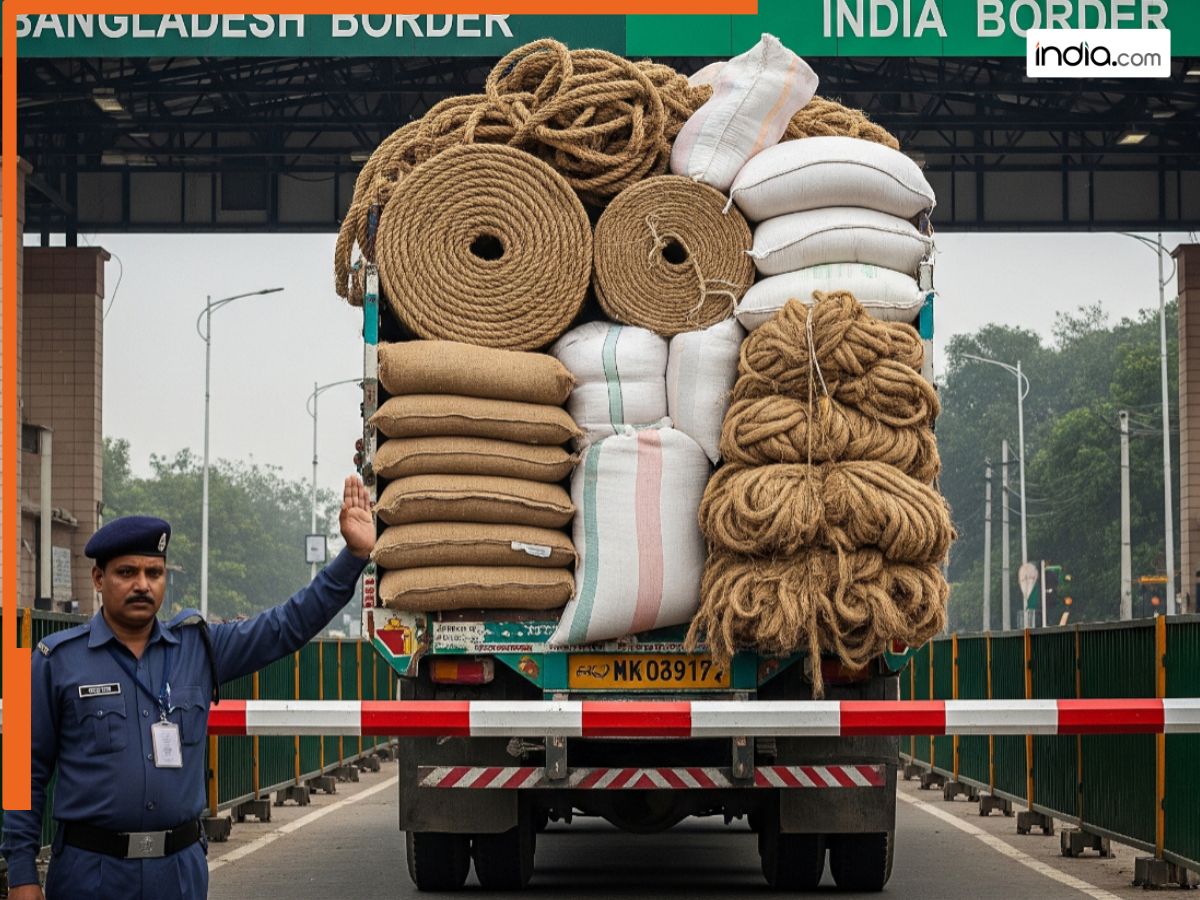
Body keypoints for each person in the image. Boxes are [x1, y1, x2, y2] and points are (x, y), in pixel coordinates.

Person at [1, 475, 376, 900]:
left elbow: (286, 626)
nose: (143, 584)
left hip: (178, 876)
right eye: (127, 572)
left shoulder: (200, 648)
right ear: (98, 578)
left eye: (154, 572)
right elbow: (20, 771)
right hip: (91, 876)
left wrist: (353, 556)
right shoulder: (51, 658)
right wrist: (21, 874)